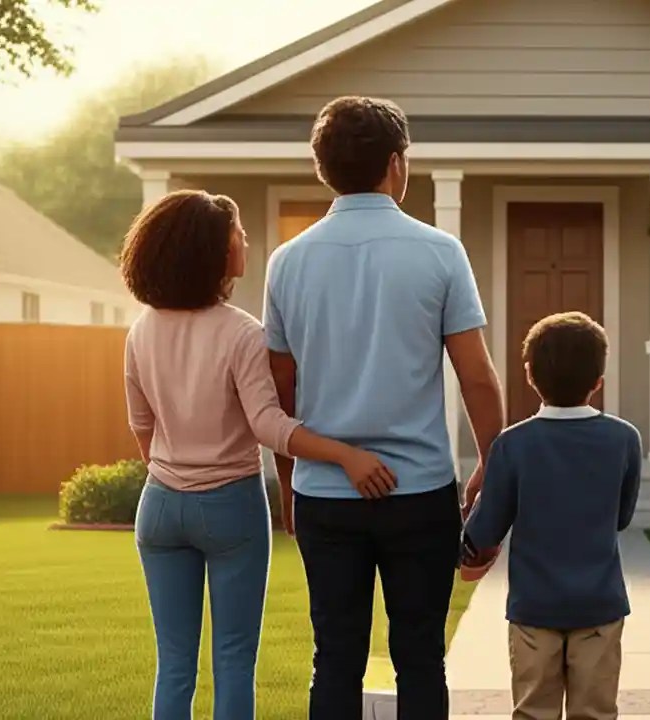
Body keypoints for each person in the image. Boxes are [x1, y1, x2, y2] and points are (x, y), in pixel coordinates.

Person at [264, 95, 505, 719]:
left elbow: (279, 391)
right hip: (420, 495)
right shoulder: (439, 252)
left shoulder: (286, 263)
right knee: (421, 657)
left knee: (335, 659)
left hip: (325, 496)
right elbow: (477, 376)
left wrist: (291, 486)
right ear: (397, 165)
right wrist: (490, 464)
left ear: (323, 170)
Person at [120, 189, 396, 720]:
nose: (244, 239)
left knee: (174, 664)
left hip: (158, 507)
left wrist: (171, 472)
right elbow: (268, 426)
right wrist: (344, 455)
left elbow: (141, 427)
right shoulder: (243, 333)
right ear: (216, 252)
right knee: (234, 658)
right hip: (230, 507)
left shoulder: (141, 331)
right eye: (238, 233)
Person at [462, 311, 643, 720]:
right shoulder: (623, 439)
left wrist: (466, 529)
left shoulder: (512, 445)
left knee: (533, 712)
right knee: (595, 712)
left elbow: (487, 527)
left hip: (534, 608)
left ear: (529, 374)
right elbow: (622, 516)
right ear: (598, 380)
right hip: (600, 605)